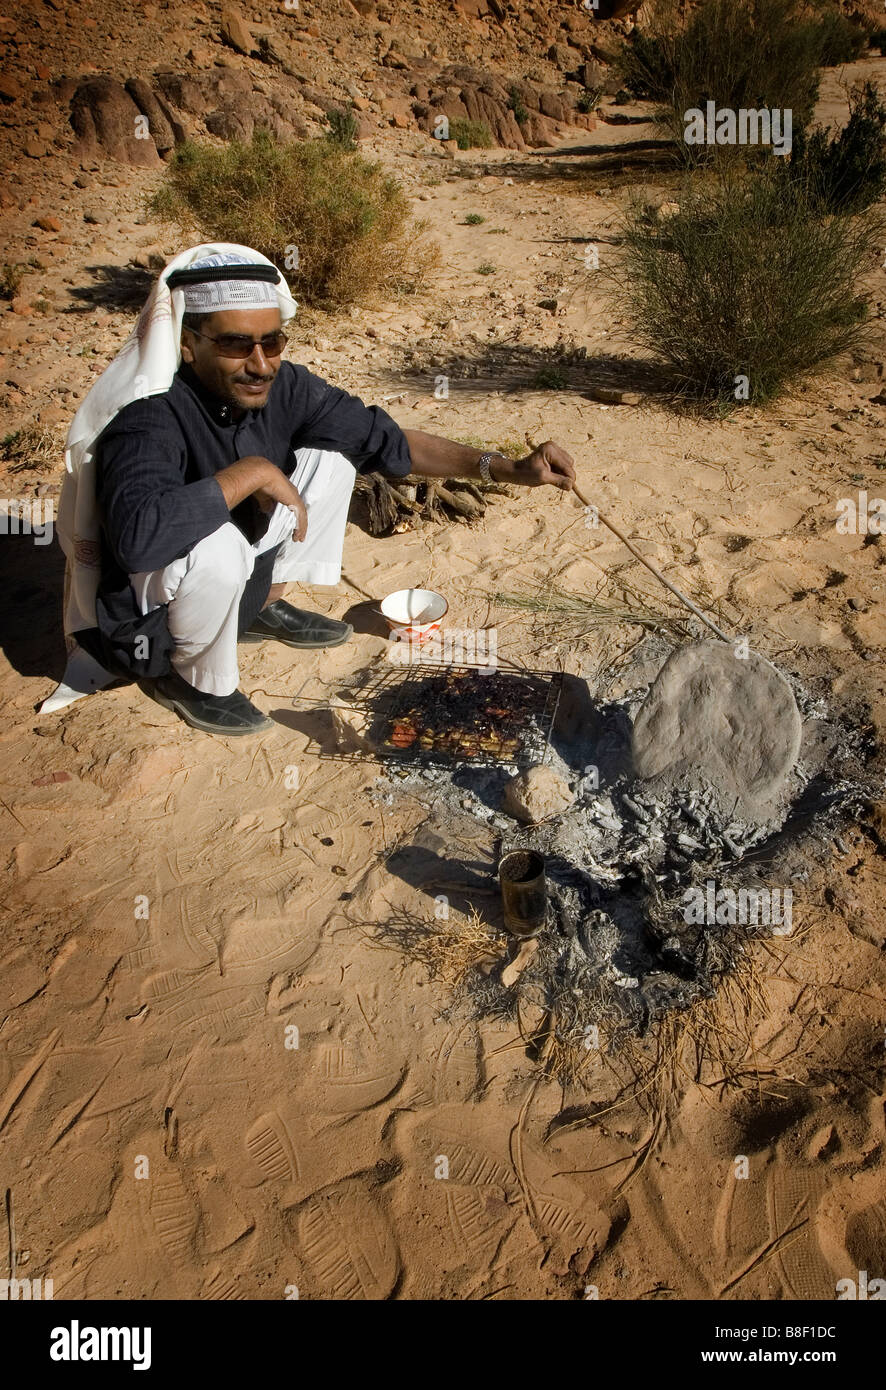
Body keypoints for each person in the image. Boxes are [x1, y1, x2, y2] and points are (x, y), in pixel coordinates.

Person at [62, 247, 576, 736]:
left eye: (273, 342)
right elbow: (138, 538)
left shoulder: (284, 386)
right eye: (237, 345)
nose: (261, 364)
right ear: (187, 343)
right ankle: (193, 681)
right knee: (219, 545)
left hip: (235, 568)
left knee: (332, 460)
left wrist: (507, 468)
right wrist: (253, 472)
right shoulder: (149, 414)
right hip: (152, 617)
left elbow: (386, 440)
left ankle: (262, 603)